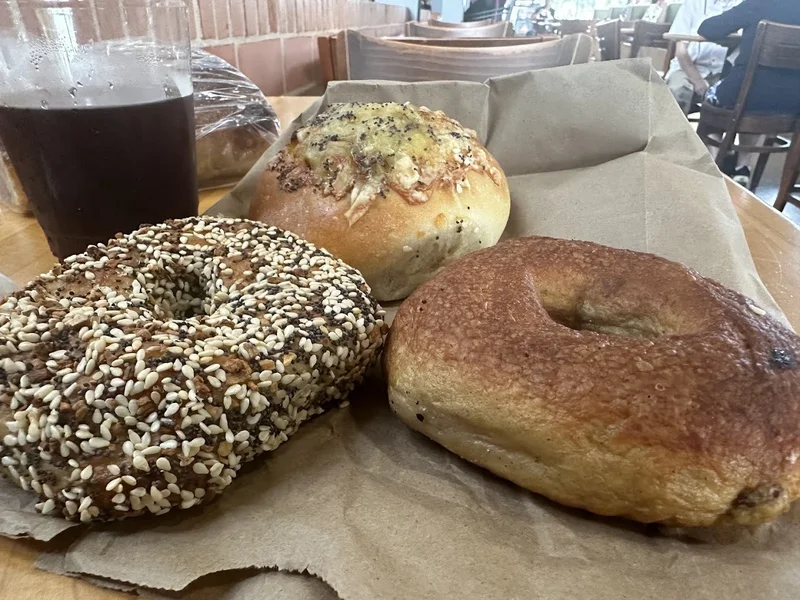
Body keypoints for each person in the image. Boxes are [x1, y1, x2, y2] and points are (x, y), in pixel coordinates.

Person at [699, 0, 800, 185]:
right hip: (792, 103)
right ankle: (742, 167)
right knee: (756, 98)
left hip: (748, 94)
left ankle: (715, 165)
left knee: (714, 95)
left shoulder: (758, 4)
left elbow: (707, 28)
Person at [664, 0, 743, 114]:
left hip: (723, 73)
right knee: (678, 91)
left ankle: (711, 131)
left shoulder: (744, 5)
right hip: (686, 68)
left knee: (731, 99)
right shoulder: (692, 4)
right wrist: (697, 80)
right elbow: (681, 50)